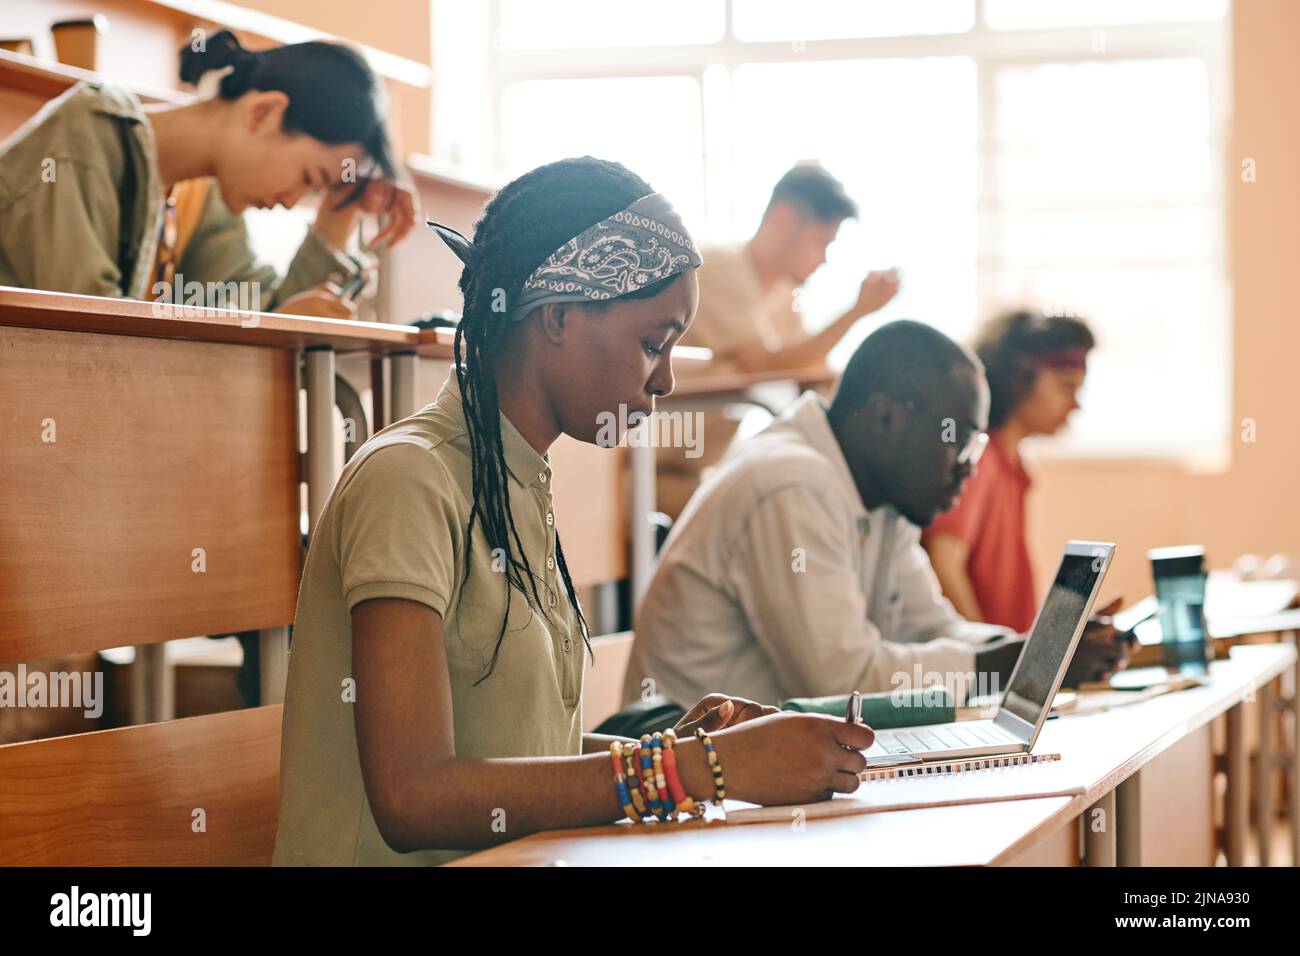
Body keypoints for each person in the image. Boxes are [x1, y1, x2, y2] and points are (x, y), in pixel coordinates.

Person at [272, 157, 875, 866]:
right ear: (557, 317)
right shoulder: (409, 479)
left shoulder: (519, 478)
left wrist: (685, 752)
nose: (667, 379)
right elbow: (415, 797)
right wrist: (695, 771)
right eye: (653, 342)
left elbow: (517, 757)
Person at [628, 320, 1125, 711]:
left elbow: (930, 627)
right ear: (888, 418)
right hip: (689, 786)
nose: (968, 469)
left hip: (764, 775)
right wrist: (1025, 662)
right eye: (959, 442)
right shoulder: (789, 483)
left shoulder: (886, 502)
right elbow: (845, 683)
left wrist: (1040, 646)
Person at [0, 29, 415, 316]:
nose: (290, 201)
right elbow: (92, 340)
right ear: (265, 112)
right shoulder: (88, 134)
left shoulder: (202, 195)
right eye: (308, 178)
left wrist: (341, 209)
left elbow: (266, 311)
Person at [656, 163, 899, 516]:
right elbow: (761, 363)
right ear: (783, 219)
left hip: (696, 469)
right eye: (821, 242)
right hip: (653, 464)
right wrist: (856, 311)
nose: (824, 259)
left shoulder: (786, 299)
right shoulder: (716, 268)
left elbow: (810, 371)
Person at [923, 311, 1095, 632]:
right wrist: (990, 662)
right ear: (1018, 380)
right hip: (984, 675)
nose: (1075, 405)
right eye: (1065, 387)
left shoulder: (1010, 462)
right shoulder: (980, 459)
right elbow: (943, 565)